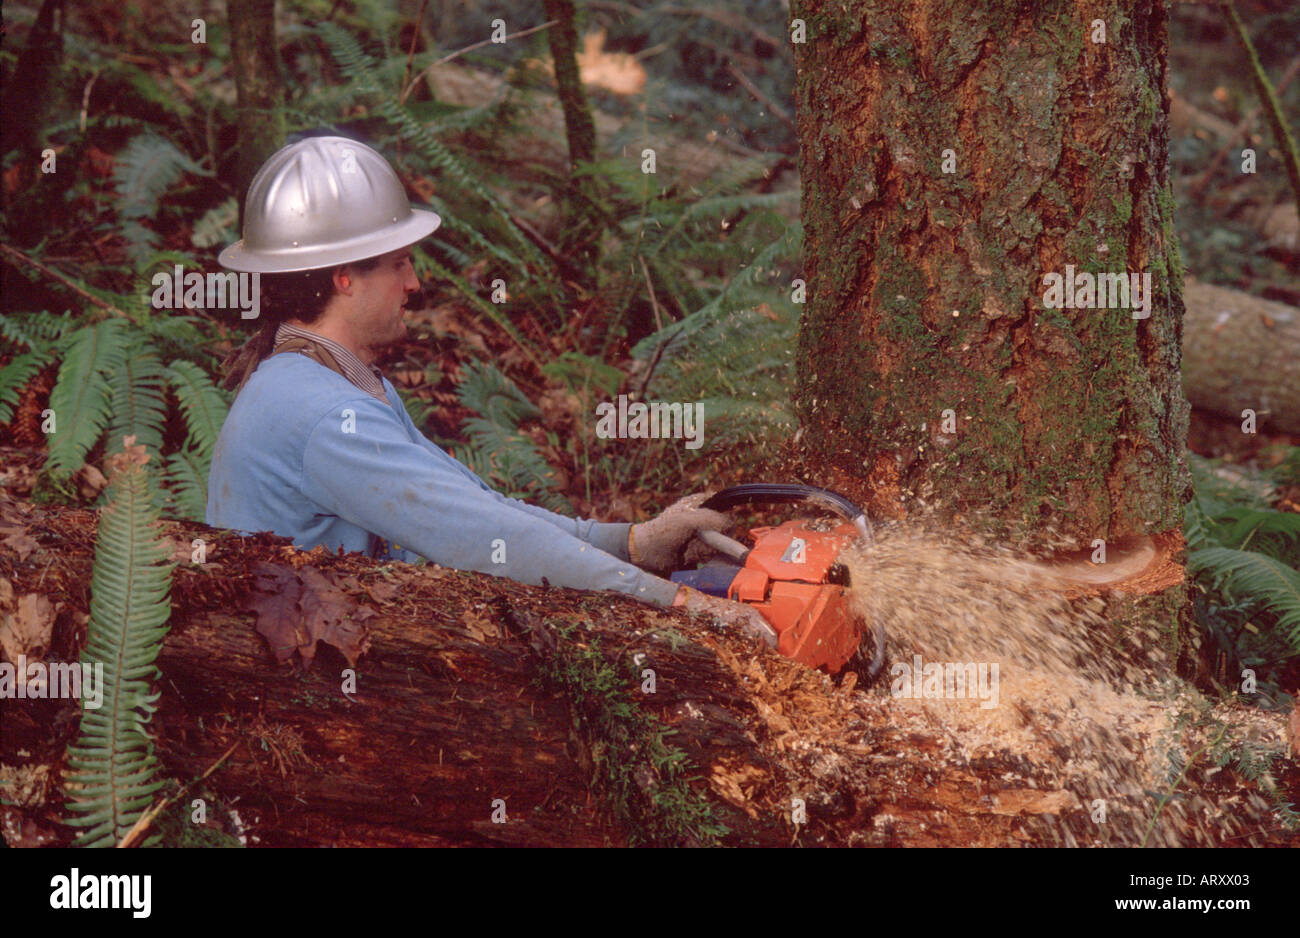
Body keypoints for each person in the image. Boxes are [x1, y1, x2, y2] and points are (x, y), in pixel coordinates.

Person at [208, 135, 775, 645]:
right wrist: (680, 605)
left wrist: (631, 543)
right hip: (312, 691)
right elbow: (485, 538)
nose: (415, 283)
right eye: (401, 264)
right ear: (344, 277)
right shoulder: (324, 414)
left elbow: (477, 509)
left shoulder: (319, 376)